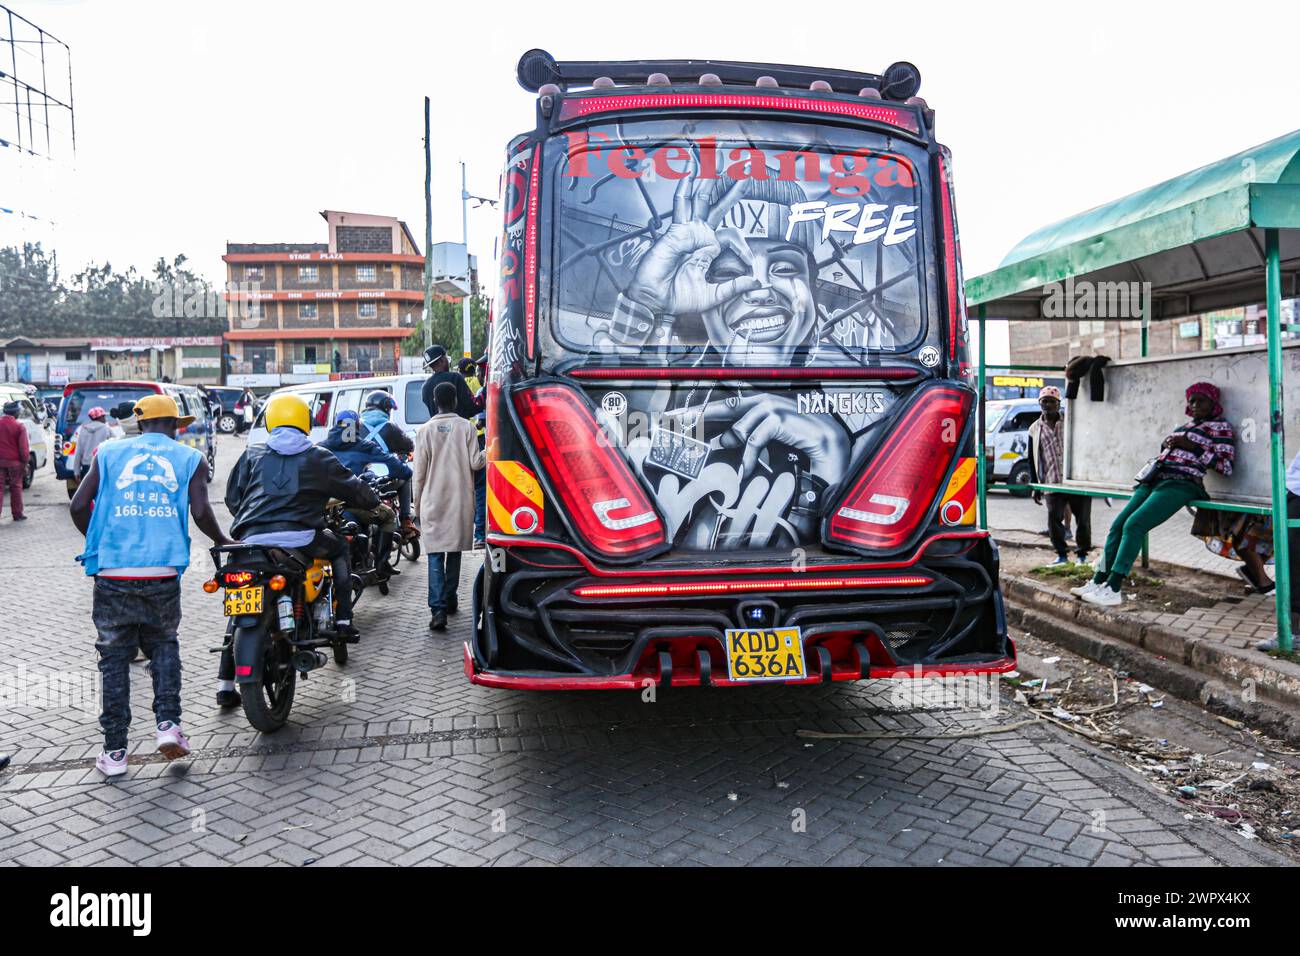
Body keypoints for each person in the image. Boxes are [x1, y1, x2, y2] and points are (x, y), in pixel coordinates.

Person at [69, 394, 230, 777]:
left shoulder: (108, 453)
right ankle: (168, 727)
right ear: (176, 425)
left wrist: (98, 542)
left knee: (113, 660)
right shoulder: (191, 458)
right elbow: (202, 511)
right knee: (163, 645)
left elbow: (78, 506)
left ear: (139, 423)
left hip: (112, 573)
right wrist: (223, 541)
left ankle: (114, 753)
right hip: (162, 572)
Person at [220, 394, 380, 705]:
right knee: (339, 549)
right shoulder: (319, 456)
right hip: (302, 538)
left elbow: (232, 499)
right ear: (306, 422)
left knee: (243, 597)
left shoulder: (251, 453)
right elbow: (356, 491)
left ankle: (225, 685)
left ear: (270, 421)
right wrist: (371, 500)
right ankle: (344, 620)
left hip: (250, 542)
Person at [1075, 382, 1235, 608]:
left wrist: (1192, 447)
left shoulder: (1220, 428)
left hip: (1182, 483)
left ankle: (1113, 587)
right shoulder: (1184, 426)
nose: (1195, 405)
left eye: (1202, 400)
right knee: (1118, 526)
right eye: (1191, 400)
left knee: (1134, 525)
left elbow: (1226, 467)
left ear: (1213, 403)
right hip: (1155, 479)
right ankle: (1097, 580)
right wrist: (1169, 444)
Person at [413, 381, 484, 631]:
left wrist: (416, 506)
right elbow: (476, 463)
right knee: (453, 552)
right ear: (455, 401)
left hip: (432, 502)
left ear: (435, 401)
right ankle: (451, 598)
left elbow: (418, 474)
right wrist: (493, 448)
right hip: (459, 501)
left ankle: (438, 610)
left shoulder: (424, 431)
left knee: (434, 556)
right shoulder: (466, 427)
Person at [321, 409, 411, 573]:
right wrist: (405, 471)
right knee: (389, 516)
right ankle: (382, 565)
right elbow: (395, 465)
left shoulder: (321, 447)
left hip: (326, 510)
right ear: (356, 426)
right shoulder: (363, 446)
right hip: (356, 503)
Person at [1027, 386, 1091, 565]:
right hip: (1051, 481)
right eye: (1044, 401)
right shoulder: (1034, 429)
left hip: (1075, 480)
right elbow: (1032, 458)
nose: (1048, 405)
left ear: (1058, 404)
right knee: (1054, 520)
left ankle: (1082, 555)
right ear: (1040, 404)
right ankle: (1061, 555)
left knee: (1083, 520)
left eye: (1052, 402)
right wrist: (1035, 486)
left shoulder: (1072, 422)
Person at [1256, 450, 1300, 652]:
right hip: (1297, 490)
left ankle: (1293, 633)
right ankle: (1292, 632)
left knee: (1294, 563)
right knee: (1293, 563)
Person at [359, 390, 417, 538]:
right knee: (405, 479)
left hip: (360, 481)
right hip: (385, 481)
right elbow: (409, 446)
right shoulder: (390, 427)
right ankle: (405, 519)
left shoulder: (355, 427)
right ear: (385, 409)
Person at [419, 345, 477, 421]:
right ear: (442, 360)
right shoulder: (456, 378)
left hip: (437, 431)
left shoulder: (425, 387)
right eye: (446, 358)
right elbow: (471, 408)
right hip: (460, 429)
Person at [0, 401, 28, 522]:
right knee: (16, 487)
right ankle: (17, 514)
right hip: (15, 463)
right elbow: (23, 448)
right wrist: (25, 462)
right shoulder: (19, 426)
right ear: (15, 412)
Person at [70, 406, 114, 479]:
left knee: (89, 489)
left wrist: (76, 471)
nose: (105, 419)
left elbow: (79, 451)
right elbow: (114, 447)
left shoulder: (83, 430)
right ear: (101, 417)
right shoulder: (106, 429)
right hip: (102, 465)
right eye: (104, 416)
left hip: (86, 466)